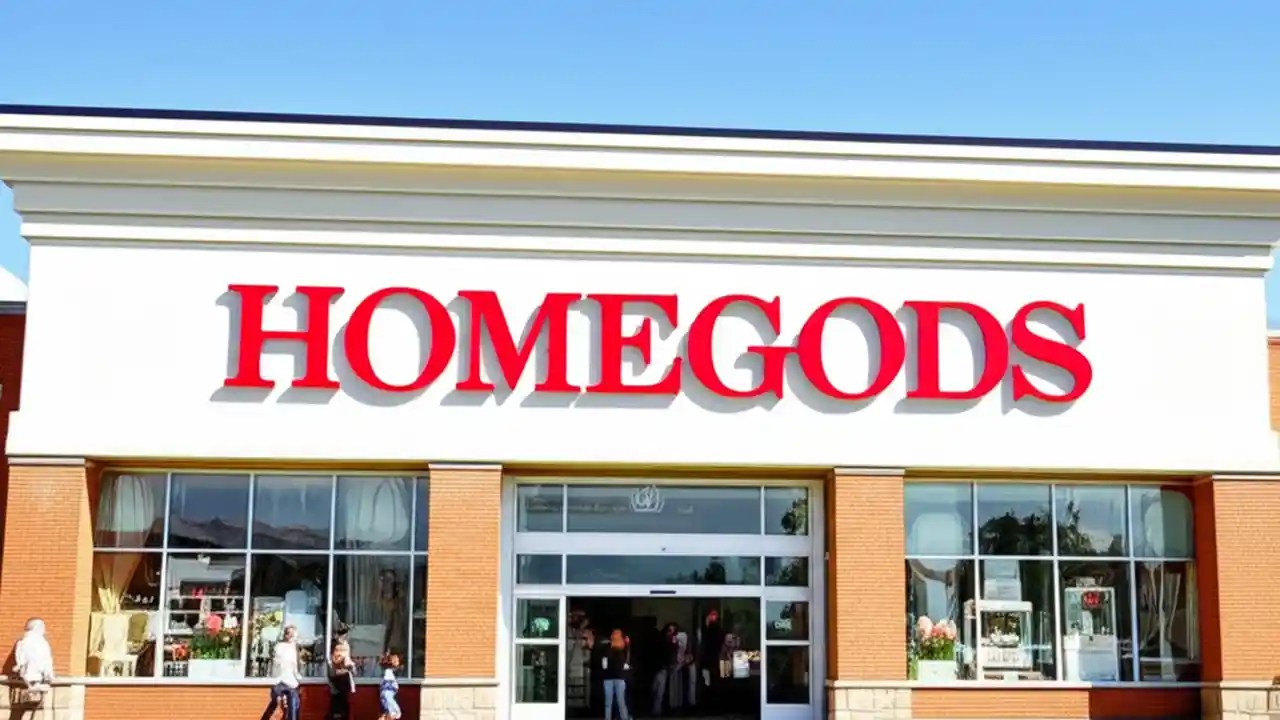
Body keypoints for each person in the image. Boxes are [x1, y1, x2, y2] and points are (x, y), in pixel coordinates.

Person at [260, 624, 301, 720]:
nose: (291, 637)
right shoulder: (280, 647)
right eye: (289, 634)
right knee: (276, 702)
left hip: (291, 682)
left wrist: (297, 676)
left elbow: (294, 666)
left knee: (293, 706)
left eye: (293, 635)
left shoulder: (294, 648)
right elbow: (278, 663)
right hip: (280, 680)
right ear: (285, 635)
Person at [601, 629, 631, 720]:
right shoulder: (623, 650)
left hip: (608, 677)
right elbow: (626, 664)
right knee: (620, 701)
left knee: (608, 703)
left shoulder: (607, 649)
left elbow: (604, 665)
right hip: (620, 677)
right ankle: (624, 718)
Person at [650, 623, 679, 716]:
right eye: (669, 630)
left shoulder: (672, 642)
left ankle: (657, 710)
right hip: (659, 667)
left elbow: (672, 654)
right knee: (656, 688)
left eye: (673, 631)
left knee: (660, 690)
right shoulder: (660, 640)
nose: (671, 633)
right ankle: (656, 709)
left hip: (666, 668)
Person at [326, 642, 357, 720]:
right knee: (336, 714)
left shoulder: (347, 661)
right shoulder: (331, 661)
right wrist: (346, 670)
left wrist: (351, 666)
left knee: (345, 714)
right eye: (338, 650)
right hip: (336, 693)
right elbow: (332, 674)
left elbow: (354, 673)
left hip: (346, 694)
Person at [379, 653, 403, 720]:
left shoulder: (389, 673)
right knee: (386, 699)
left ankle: (391, 712)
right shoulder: (388, 672)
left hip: (388, 685)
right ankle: (392, 712)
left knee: (387, 699)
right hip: (388, 685)